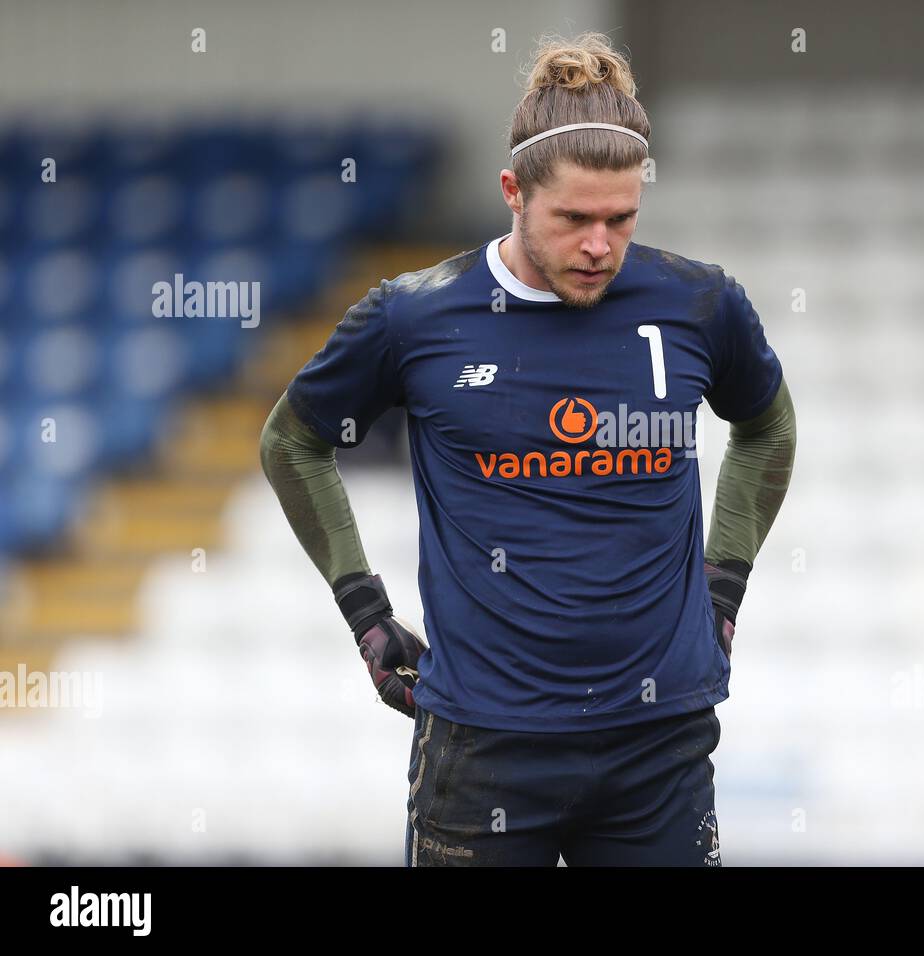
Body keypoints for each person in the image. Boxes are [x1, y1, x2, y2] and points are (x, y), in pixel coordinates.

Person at [259, 31, 796, 866]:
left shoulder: (700, 303)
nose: (599, 245)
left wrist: (724, 582)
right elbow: (293, 442)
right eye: (574, 219)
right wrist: (366, 614)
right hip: (482, 749)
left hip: (659, 742)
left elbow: (767, 428)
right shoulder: (415, 315)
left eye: (621, 219)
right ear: (513, 192)